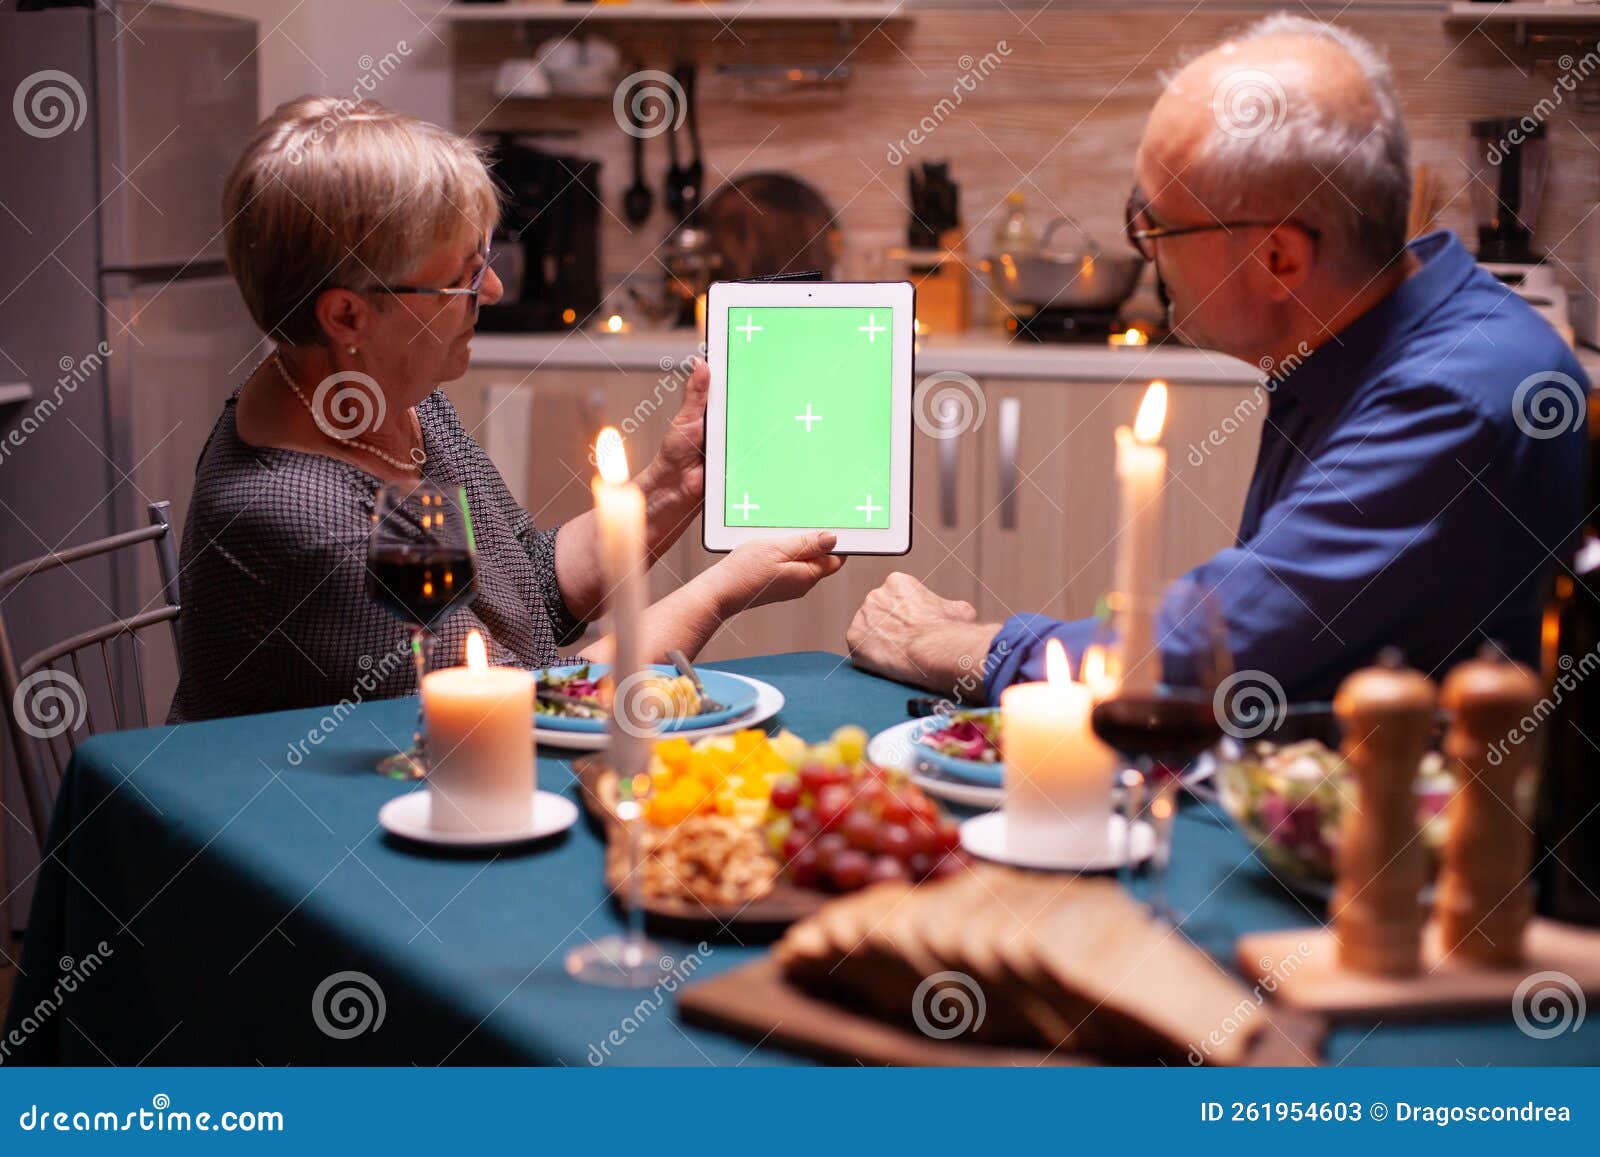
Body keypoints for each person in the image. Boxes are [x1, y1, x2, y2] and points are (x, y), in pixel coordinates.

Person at [847, 15, 1590, 705]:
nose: (1146, 245)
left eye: (1158, 224)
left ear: (1278, 257)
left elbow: (1202, 654)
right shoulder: (1356, 335)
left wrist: (945, 644)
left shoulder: (1453, 398)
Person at [169, 99, 841, 723]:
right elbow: (519, 707)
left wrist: (670, 486)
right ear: (347, 314)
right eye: (462, 276)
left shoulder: (393, 399)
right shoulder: (307, 516)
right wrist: (719, 589)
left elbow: (529, 586)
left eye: (484, 257)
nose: (490, 288)